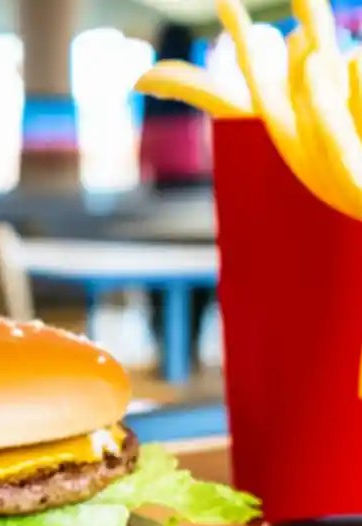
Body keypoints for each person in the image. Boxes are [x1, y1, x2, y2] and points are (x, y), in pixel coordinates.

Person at [140, 23, 215, 372]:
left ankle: (166, 349)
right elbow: (206, 150)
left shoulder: (152, 93)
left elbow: (145, 153)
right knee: (197, 282)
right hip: (198, 196)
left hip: (161, 196)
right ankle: (190, 351)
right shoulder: (201, 89)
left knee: (157, 278)